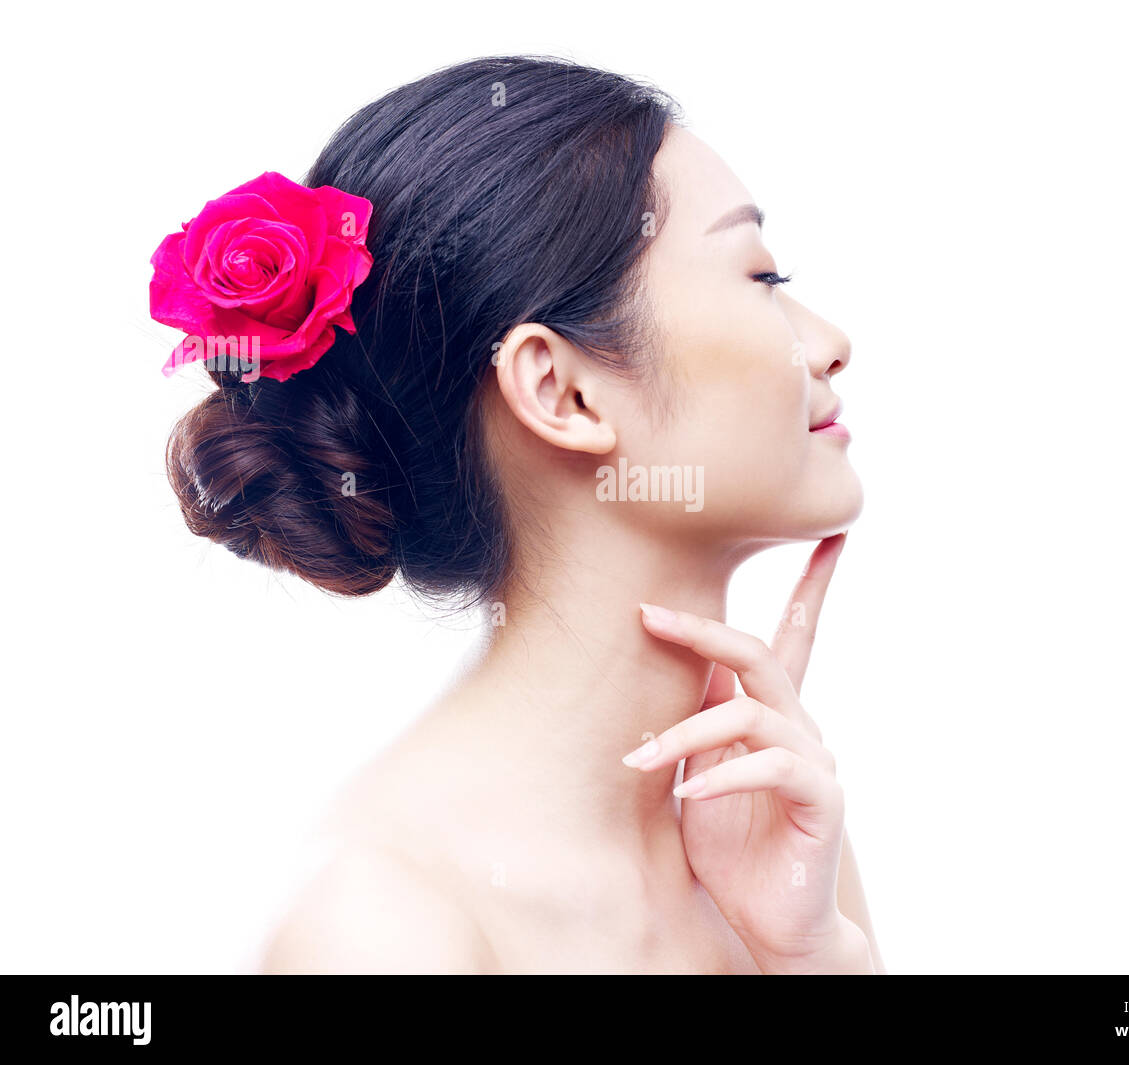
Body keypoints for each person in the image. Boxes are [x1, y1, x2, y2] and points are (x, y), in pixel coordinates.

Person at [158, 54, 883, 973]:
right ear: (561, 391)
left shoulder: (775, 827)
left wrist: (817, 958)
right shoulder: (388, 928)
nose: (830, 343)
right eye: (762, 277)